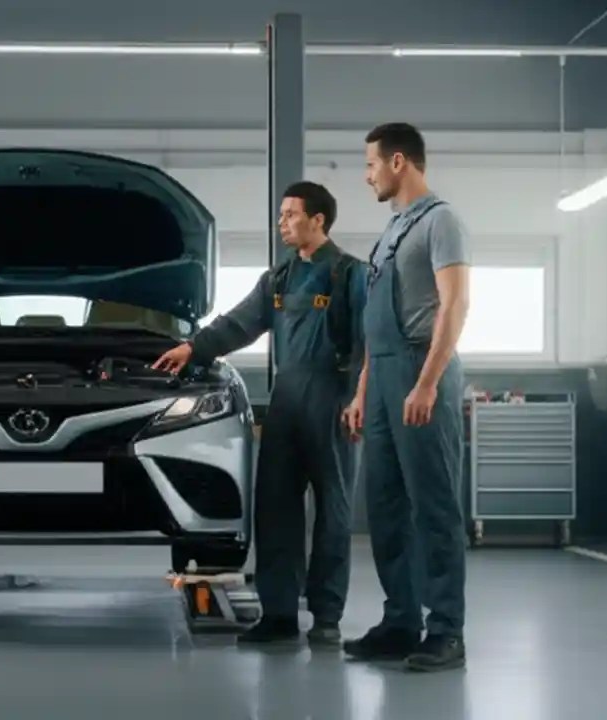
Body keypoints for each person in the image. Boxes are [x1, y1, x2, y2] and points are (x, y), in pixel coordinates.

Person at [153, 181, 367, 646]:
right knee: (274, 509)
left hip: (332, 401)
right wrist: (192, 347)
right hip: (286, 403)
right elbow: (239, 323)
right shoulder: (279, 278)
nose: (282, 222)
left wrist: (360, 398)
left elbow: (370, 344)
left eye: (291, 214)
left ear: (319, 221)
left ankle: (326, 617)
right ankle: (279, 615)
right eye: (281, 214)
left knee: (333, 510)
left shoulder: (352, 275)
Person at [340, 122, 470, 671]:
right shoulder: (391, 229)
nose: (366, 175)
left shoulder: (441, 221)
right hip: (387, 375)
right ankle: (400, 622)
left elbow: (455, 305)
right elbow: (375, 325)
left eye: (370, 164)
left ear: (398, 163)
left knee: (434, 507)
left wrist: (427, 381)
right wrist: (364, 390)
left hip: (422, 371)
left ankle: (446, 631)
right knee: (387, 508)